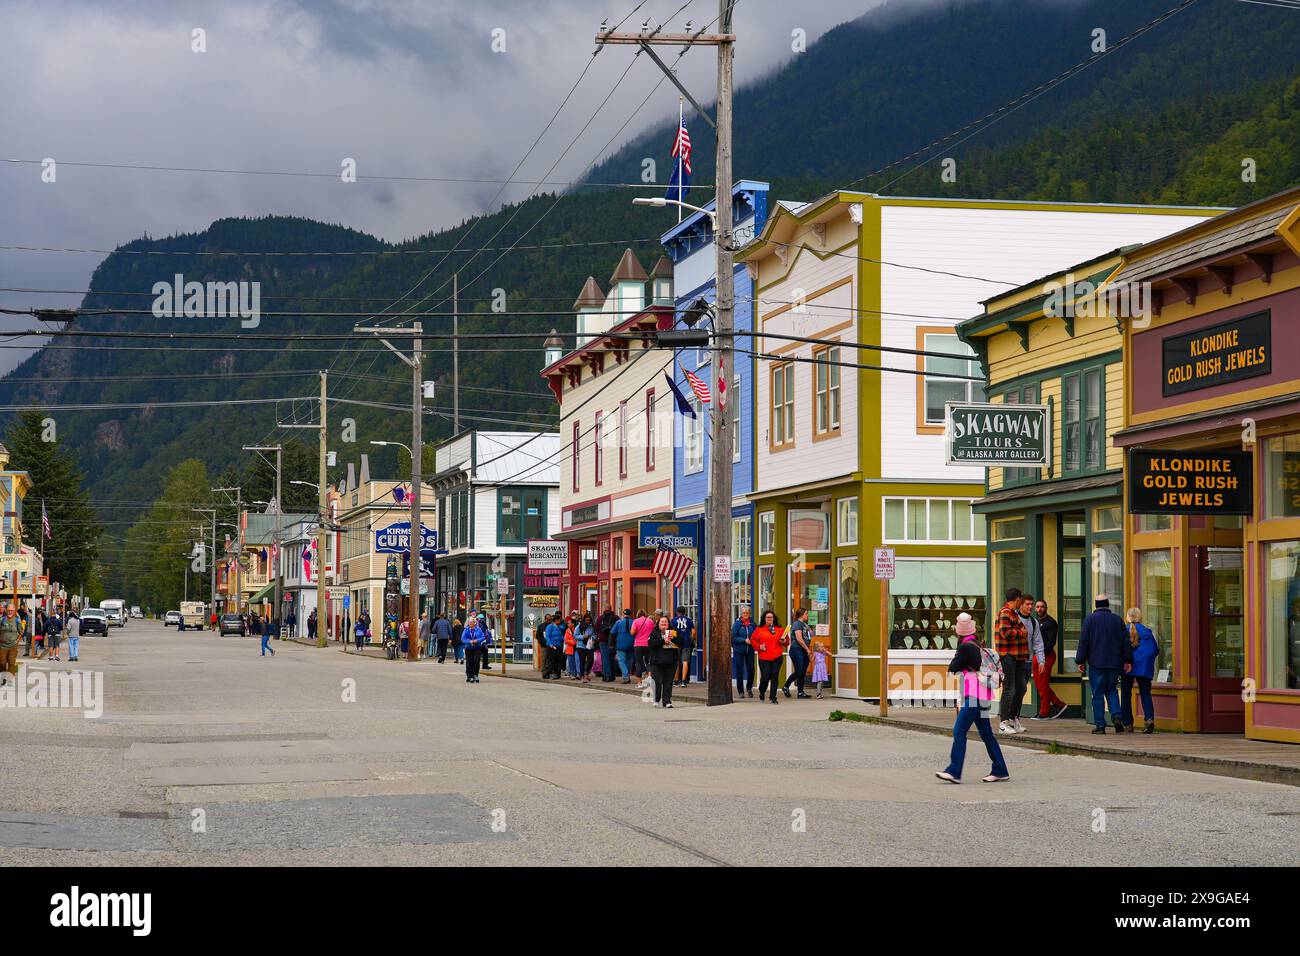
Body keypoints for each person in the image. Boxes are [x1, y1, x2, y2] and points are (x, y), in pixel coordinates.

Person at [936, 613, 1010, 784]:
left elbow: (952, 668)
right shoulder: (978, 644)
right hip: (984, 694)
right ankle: (1000, 769)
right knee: (986, 734)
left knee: (959, 730)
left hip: (974, 694)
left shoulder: (964, 647)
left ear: (958, 631)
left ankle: (954, 771)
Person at [1075, 594, 1133, 734]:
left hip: (1096, 663)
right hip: (1114, 664)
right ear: (1108, 604)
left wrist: (1080, 660)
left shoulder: (1090, 620)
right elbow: (1126, 642)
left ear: (1096, 605)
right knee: (1112, 690)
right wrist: (1128, 660)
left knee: (1098, 694)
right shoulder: (1117, 620)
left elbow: (1084, 641)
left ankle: (1100, 725)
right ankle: (1117, 716)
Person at [995, 587, 1031, 734]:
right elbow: (1005, 632)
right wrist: (1021, 633)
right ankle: (1003, 722)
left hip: (1019, 656)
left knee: (1021, 688)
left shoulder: (1014, 614)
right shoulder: (1005, 613)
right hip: (1008, 656)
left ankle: (1014, 718)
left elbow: (1022, 628)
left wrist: (1022, 631)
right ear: (1017, 599)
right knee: (1009, 689)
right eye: (1020, 600)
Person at [1029, 598, 1069, 720]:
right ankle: (1059, 704)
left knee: (1042, 684)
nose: (1039, 609)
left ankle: (1044, 712)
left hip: (1047, 656)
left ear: (1046, 608)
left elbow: (1051, 642)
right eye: (1037, 607)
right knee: (1038, 683)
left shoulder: (1051, 622)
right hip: (1036, 655)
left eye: (1042, 607)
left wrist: (1041, 654)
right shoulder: (1034, 621)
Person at [1122, 608, 1159, 734]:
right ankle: (1149, 719)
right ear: (1140, 617)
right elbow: (1155, 650)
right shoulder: (1147, 632)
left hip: (1127, 667)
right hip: (1144, 667)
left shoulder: (1123, 631)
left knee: (1126, 695)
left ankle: (1127, 724)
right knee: (1145, 694)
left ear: (1128, 617)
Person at [751, 610, 788, 704]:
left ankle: (773, 697)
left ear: (774, 618)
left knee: (775, 677)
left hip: (777, 656)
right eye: (768, 617)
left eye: (771, 617)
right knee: (765, 677)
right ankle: (762, 691)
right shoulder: (759, 629)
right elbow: (752, 640)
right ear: (764, 619)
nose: (769, 619)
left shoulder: (779, 629)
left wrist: (784, 641)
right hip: (764, 657)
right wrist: (759, 646)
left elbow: (786, 641)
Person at [647, 613, 681, 707]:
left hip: (671, 661)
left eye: (666, 622)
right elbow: (650, 644)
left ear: (668, 623)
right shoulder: (654, 633)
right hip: (657, 662)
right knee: (657, 682)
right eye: (662, 622)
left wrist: (673, 639)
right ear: (658, 623)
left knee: (668, 682)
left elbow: (681, 642)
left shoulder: (673, 632)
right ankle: (656, 699)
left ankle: (667, 701)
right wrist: (662, 641)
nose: (664, 623)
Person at [783, 607, 813, 699]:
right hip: (797, 650)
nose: (807, 615)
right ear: (801, 615)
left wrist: (810, 632)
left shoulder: (804, 624)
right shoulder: (797, 624)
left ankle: (800, 692)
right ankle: (786, 686)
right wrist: (807, 649)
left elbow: (809, 635)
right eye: (806, 614)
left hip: (804, 650)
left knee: (803, 671)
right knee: (799, 670)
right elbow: (799, 639)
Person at [731, 606, 757, 698]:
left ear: (749, 614)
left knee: (751, 671)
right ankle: (740, 691)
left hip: (750, 650)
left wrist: (754, 641)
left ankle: (749, 688)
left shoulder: (753, 624)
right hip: (739, 651)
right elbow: (733, 637)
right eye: (743, 613)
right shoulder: (737, 624)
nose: (745, 614)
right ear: (741, 614)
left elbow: (756, 635)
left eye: (747, 613)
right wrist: (743, 640)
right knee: (740, 671)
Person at [671, 606, 695, 687]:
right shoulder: (689, 620)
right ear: (685, 612)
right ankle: (684, 681)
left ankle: (676, 680)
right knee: (685, 662)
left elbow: (671, 632)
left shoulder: (673, 620)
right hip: (686, 643)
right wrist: (691, 639)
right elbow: (693, 632)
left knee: (676, 661)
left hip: (676, 643)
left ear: (677, 612)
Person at [632, 609, 655, 688]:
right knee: (649, 661)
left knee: (639, 662)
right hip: (648, 644)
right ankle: (650, 677)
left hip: (638, 644)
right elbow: (653, 632)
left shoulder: (635, 621)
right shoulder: (650, 621)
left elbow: (632, 632)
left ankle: (639, 683)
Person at [463, 613, 488, 683]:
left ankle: (475, 675)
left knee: (476, 661)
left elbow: (483, 637)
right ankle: (470, 676)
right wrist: (469, 641)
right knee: (470, 662)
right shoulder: (466, 630)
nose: (470, 624)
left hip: (477, 647)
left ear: (475, 623)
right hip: (469, 648)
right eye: (469, 622)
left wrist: (477, 640)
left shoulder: (478, 630)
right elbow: (463, 638)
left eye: (472, 622)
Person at [612, 609, 635, 683]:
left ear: (623, 614)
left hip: (620, 645)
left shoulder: (618, 622)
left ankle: (626, 676)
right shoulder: (634, 622)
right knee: (630, 660)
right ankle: (627, 675)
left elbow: (612, 633)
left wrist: (611, 643)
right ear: (631, 614)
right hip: (631, 644)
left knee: (621, 661)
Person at [0, 603, 20, 683]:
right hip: (2, 646)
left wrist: (17, 641)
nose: (10, 612)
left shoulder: (17, 620)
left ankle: (9, 679)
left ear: (14, 611)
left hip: (13, 646)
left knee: (12, 663)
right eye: (8, 610)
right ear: (6, 610)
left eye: (12, 610)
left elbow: (21, 632)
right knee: (2, 663)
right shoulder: (2, 620)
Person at [596, 608, 618, 682]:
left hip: (603, 640)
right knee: (612, 658)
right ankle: (612, 675)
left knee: (605, 658)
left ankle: (607, 675)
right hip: (613, 640)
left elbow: (596, 628)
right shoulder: (616, 618)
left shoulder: (600, 618)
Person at [543, 613, 566, 679]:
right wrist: (550, 644)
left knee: (558, 660)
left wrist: (564, 639)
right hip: (552, 646)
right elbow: (547, 636)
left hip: (558, 645)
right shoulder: (550, 626)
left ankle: (556, 673)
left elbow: (561, 636)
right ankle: (550, 673)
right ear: (556, 620)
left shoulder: (559, 627)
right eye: (559, 620)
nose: (560, 621)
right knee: (551, 660)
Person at [576, 613, 596, 683]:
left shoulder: (591, 626)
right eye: (586, 620)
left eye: (589, 620)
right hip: (581, 646)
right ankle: (582, 676)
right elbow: (575, 636)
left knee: (591, 660)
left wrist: (592, 638)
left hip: (589, 645)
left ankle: (587, 672)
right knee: (582, 661)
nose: (588, 621)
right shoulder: (579, 626)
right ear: (584, 620)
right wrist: (583, 637)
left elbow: (594, 635)